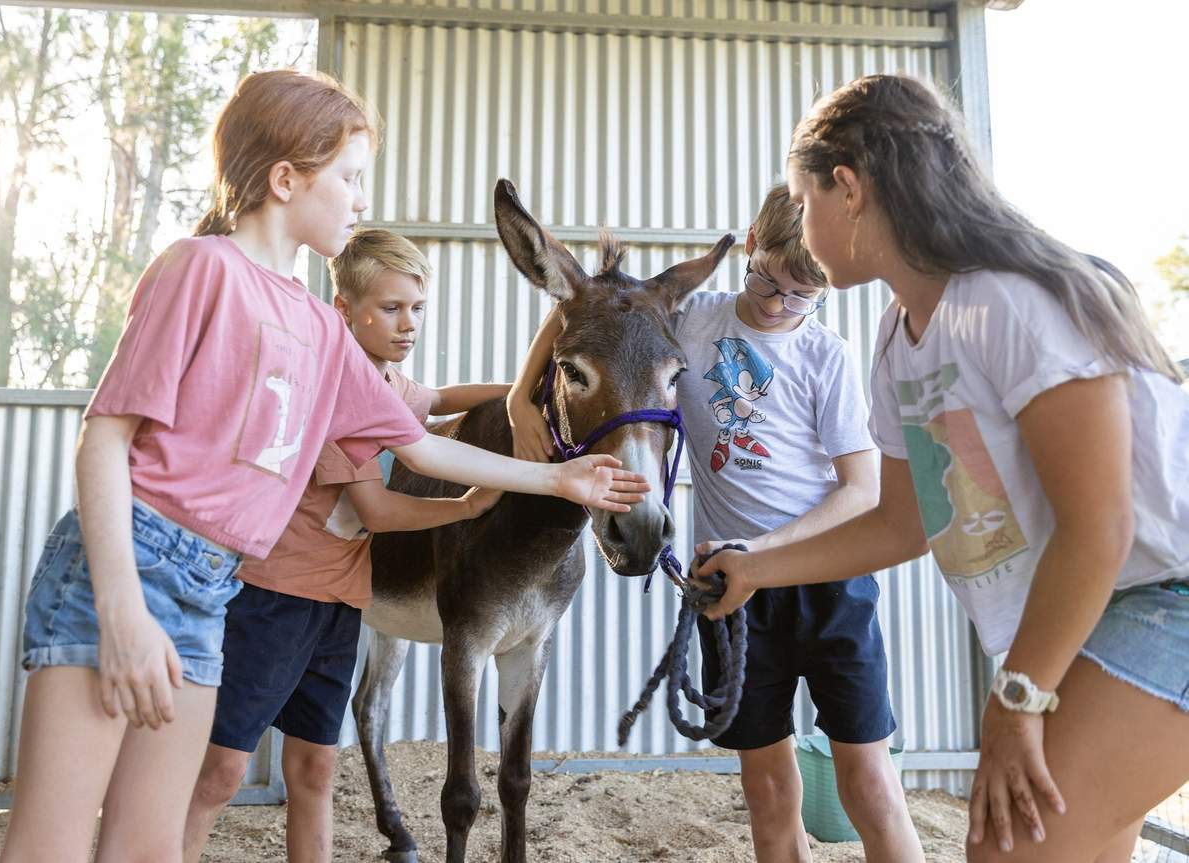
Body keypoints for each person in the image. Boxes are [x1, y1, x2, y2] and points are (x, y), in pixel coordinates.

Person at [0, 71, 647, 863]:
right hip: (130, 561)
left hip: (211, 586)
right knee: (51, 844)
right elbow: (104, 437)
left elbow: (422, 445)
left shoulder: (320, 327)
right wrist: (123, 607)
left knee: (147, 848)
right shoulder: (200, 268)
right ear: (285, 179)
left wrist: (558, 478)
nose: (361, 200)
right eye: (349, 176)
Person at [697, 73, 1189, 863]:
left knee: (1003, 845)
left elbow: (1099, 526)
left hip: (1164, 598)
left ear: (847, 188)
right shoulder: (898, 337)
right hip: (1099, 610)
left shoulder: (1009, 299)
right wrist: (757, 568)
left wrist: (1015, 700)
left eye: (805, 197)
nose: (804, 223)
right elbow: (902, 522)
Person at [508, 183, 922, 862]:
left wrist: (761, 553)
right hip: (730, 592)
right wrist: (518, 397)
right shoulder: (690, 318)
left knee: (870, 783)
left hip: (829, 582)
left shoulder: (826, 356)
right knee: (767, 789)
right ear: (750, 245)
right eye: (767, 282)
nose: (778, 305)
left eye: (801, 296)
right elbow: (580, 310)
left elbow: (861, 490)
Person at [182, 229, 513, 862]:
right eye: (390, 308)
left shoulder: (389, 383)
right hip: (276, 595)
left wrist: (526, 392)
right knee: (220, 772)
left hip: (340, 600)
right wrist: (466, 507)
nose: (408, 324)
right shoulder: (335, 388)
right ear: (344, 309)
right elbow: (376, 510)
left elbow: (440, 399)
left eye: (417, 308)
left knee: (315, 770)